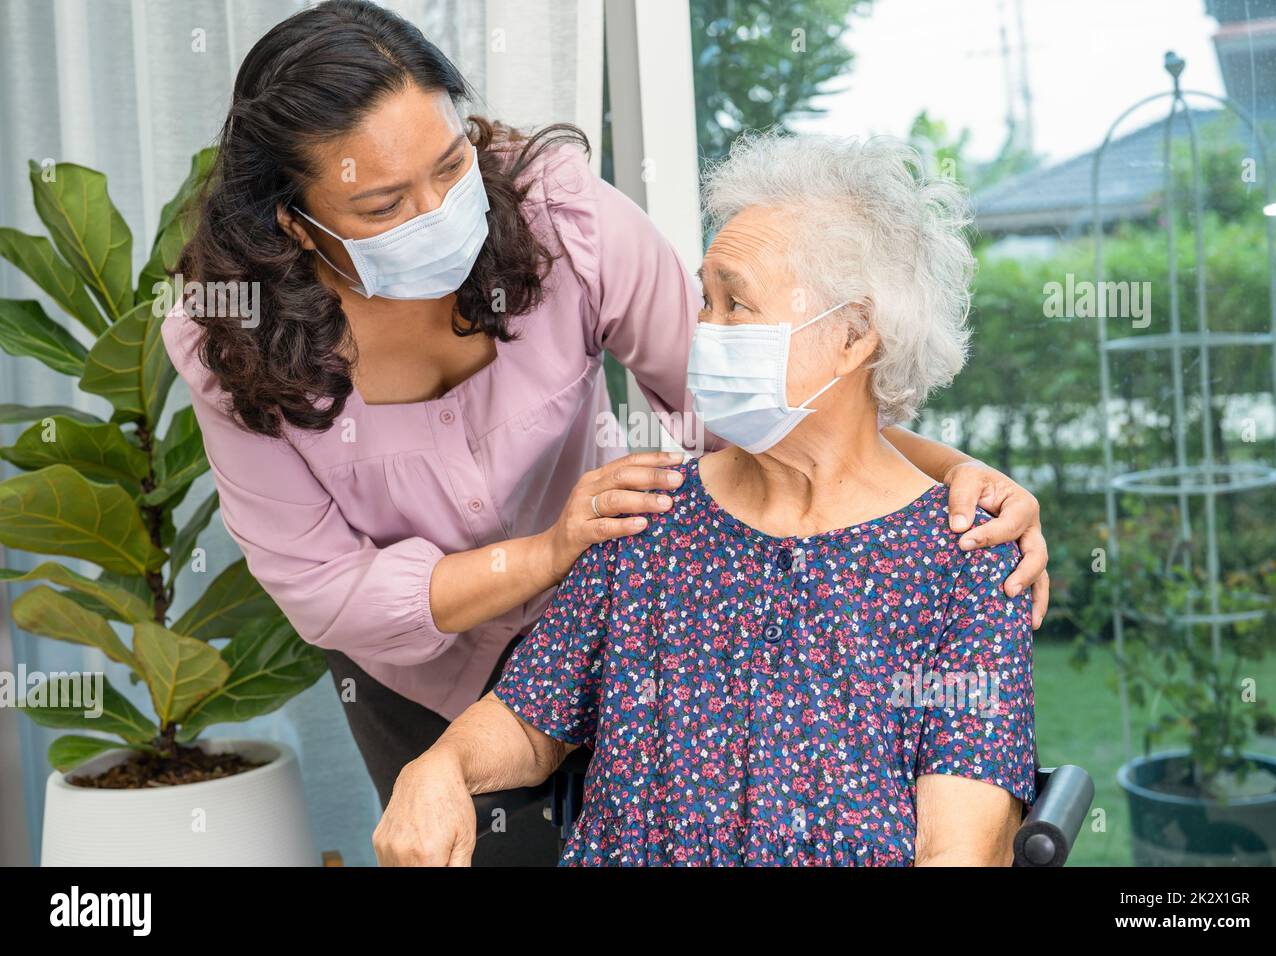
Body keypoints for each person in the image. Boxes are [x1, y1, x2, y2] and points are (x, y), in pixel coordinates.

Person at [164, 0, 1048, 863]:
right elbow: (330, 594)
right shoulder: (648, 525)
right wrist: (448, 746)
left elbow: (781, 418)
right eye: (385, 204)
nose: (435, 213)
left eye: (449, 167)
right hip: (416, 665)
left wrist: (971, 479)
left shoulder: (959, 560)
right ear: (296, 221)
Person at [372, 133, 1035, 866]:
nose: (703, 331)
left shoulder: (964, 557)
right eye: (704, 297)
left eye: (734, 303)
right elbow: (532, 720)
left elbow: (961, 848)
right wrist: (440, 765)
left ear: (852, 336)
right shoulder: (646, 508)